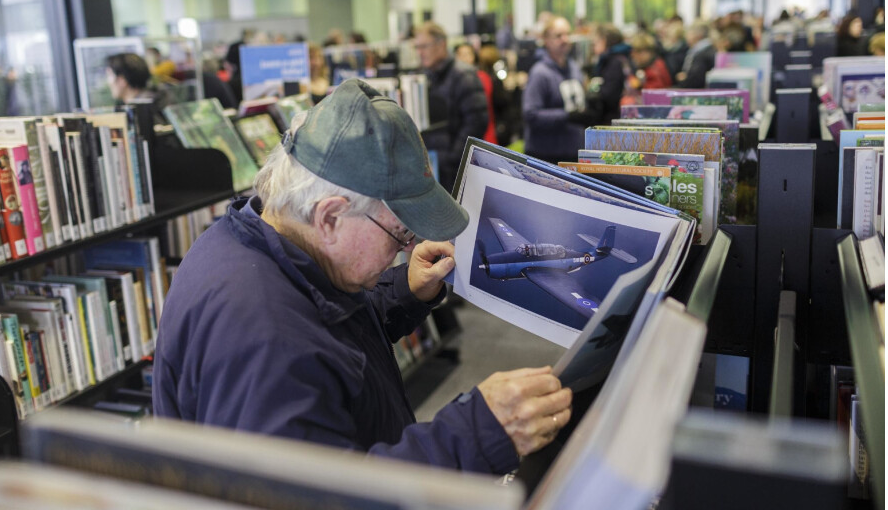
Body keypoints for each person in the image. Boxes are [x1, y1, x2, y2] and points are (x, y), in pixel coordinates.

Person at [153, 79, 573, 473]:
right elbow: (318, 497)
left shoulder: (263, 244)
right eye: (399, 232)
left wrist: (402, 292)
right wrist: (476, 435)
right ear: (331, 215)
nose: (407, 246)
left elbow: (322, 332)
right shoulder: (262, 338)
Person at [414, 22, 489, 192]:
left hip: (457, 171)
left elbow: (476, 122)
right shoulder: (425, 77)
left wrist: (452, 158)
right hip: (435, 168)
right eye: (417, 47)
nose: (420, 52)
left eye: (424, 46)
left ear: (442, 44)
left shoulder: (464, 75)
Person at [522, 15, 588, 164]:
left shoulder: (574, 68)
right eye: (558, 36)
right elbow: (530, 114)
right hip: (546, 155)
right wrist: (566, 116)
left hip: (573, 151)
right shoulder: (539, 73)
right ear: (546, 40)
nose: (565, 39)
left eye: (567, 34)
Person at [586, 23, 633, 127]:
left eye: (596, 41)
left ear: (604, 40)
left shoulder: (612, 62)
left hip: (612, 120)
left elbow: (609, 95)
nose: (593, 45)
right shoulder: (622, 57)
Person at [453, 42, 499, 145]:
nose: (466, 58)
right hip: (461, 136)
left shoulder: (482, 77)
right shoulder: (452, 81)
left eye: (469, 54)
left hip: (484, 133)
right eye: (462, 55)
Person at [105, 52, 168, 122]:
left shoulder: (143, 111)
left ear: (122, 80)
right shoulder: (156, 99)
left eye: (109, 75)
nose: (108, 82)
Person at [675, 22, 716, 88]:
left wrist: (685, 79)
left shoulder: (701, 54)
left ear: (697, 35)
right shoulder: (706, 49)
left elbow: (696, 79)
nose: (686, 36)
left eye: (689, 33)